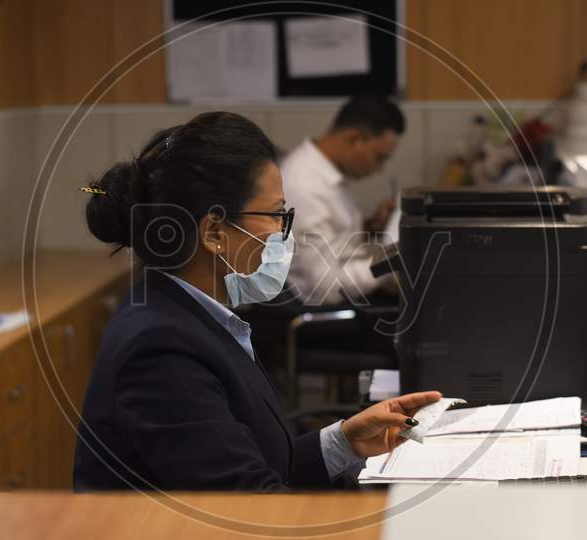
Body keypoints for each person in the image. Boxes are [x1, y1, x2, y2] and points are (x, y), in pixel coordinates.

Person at [73, 112, 440, 491]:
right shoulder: (161, 350)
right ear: (214, 232)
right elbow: (248, 506)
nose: (284, 232)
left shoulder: (194, 315)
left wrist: (345, 441)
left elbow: (257, 462)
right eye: (276, 214)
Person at [281, 96, 405, 306]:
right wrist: (392, 260)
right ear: (355, 139)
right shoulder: (304, 186)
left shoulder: (326, 171)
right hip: (324, 311)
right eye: (379, 157)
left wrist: (371, 227)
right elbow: (328, 288)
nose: (379, 169)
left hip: (343, 293)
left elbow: (334, 239)